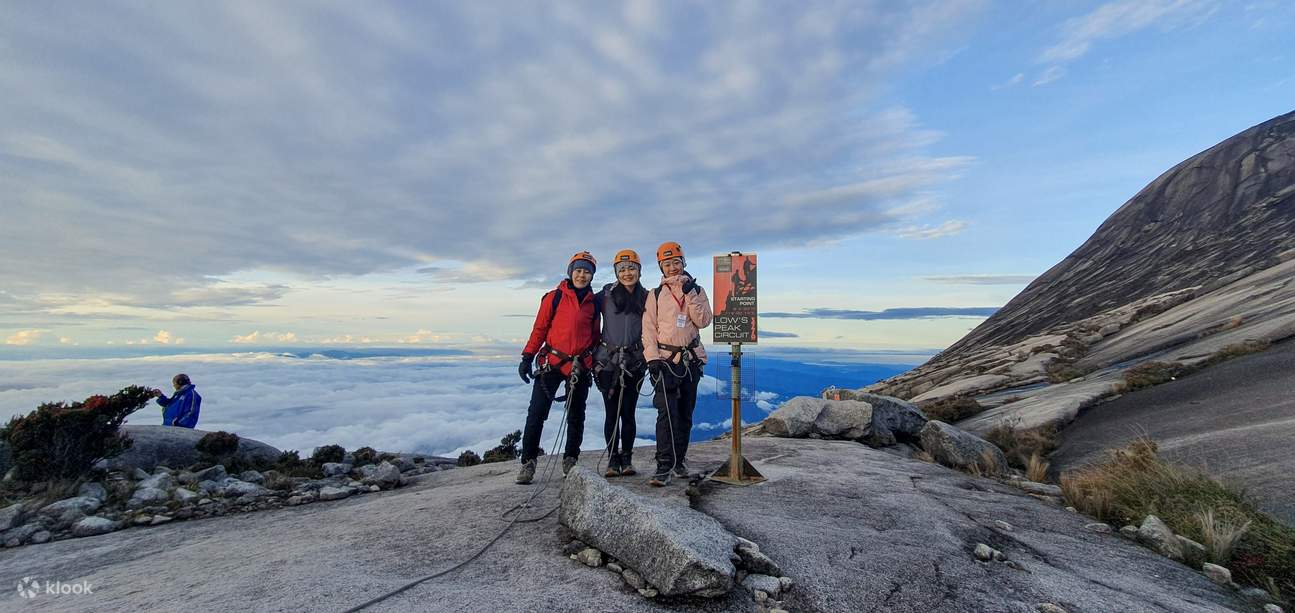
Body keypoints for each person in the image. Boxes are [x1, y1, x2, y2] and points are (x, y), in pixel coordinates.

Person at [516, 251, 602, 485]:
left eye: (587, 272)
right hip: (552, 363)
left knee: (576, 416)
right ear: (570, 272)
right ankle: (528, 463)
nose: (582, 275)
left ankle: (570, 460)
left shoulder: (593, 303)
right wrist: (527, 356)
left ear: (592, 275)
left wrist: (592, 365)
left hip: (580, 365)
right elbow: (540, 329)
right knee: (536, 414)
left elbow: (594, 337)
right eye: (579, 270)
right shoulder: (553, 298)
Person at [642, 241, 712, 486]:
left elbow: (703, 321)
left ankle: (679, 460)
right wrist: (651, 359)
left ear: (684, 263)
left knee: (685, 413)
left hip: (690, 360)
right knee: (666, 414)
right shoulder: (656, 294)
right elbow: (648, 330)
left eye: (676, 262)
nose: (672, 267)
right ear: (661, 267)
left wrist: (691, 293)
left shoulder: (697, 290)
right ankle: (663, 466)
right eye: (667, 263)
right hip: (665, 361)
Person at [593, 249, 648, 477]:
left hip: (635, 362)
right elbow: (582, 312)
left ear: (639, 271)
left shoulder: (646, 297)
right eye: (622, 269)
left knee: (629, 412)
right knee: (611, 412)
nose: (627, 273)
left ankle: (627, 459)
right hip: (608, 363)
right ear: (616, 272)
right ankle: (612, 460)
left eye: (631, 268)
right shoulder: (605, 296)